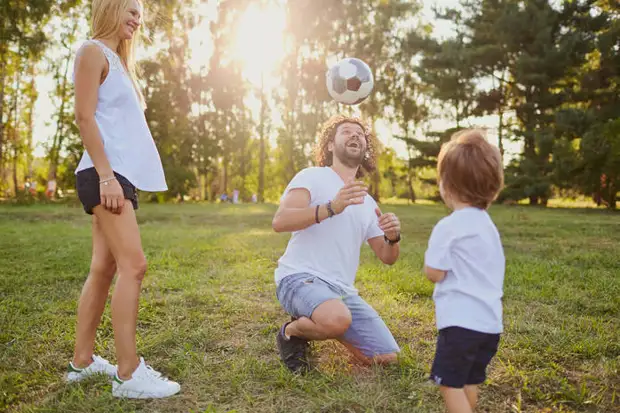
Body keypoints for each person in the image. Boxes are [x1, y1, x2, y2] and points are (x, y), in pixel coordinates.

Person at [67, 0, 180, 399]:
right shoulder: (92, 51)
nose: (137, 19)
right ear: (110, 8)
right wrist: (106, 176)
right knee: (134, 266)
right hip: (105, 176)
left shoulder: (118, 62)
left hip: (115, 176)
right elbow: (84, 116)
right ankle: (128, 374)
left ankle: (81, 362)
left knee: (103, 268)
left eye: (140, 15)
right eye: (130, 11)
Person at [272, 114, 402, 373]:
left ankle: (323, 317)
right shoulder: (312, 176)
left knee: (387, 357)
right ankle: (292, 332)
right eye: (346, 131)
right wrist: (333, 207)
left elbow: (387, 256)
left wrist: (393, 236)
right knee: (337, 319)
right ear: (330, 146)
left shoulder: (367, 201)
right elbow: (281, 221)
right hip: (298, 277)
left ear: (365, 148)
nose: (355, 135)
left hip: (341, 291)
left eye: (360, 133)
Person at [423, 129, 505, 413]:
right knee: (468, 381)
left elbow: (434, 272)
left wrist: (434, 269)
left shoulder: (449, 226)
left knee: (449, 384)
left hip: (461, 325)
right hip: (490, 325)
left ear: (447, 185)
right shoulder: (488, 227)